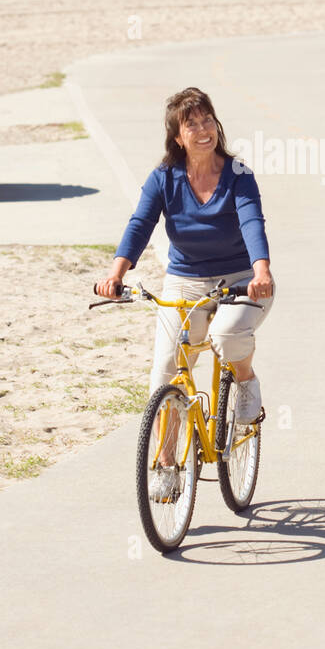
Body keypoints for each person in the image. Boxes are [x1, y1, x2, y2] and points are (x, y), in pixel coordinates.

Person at [95, 87, 275, 453]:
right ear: (178, 137)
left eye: (207, 119)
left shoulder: (238, 173)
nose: (203, 129)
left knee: (226, 336)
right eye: (191, 124)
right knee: (166, 371)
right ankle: (165, 464)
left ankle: (245, 379)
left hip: (240, 280)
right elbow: (140, 224)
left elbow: (251, 221)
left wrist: (261, 272)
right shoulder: (164, 178)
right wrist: (116, 273)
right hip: (186, 281)